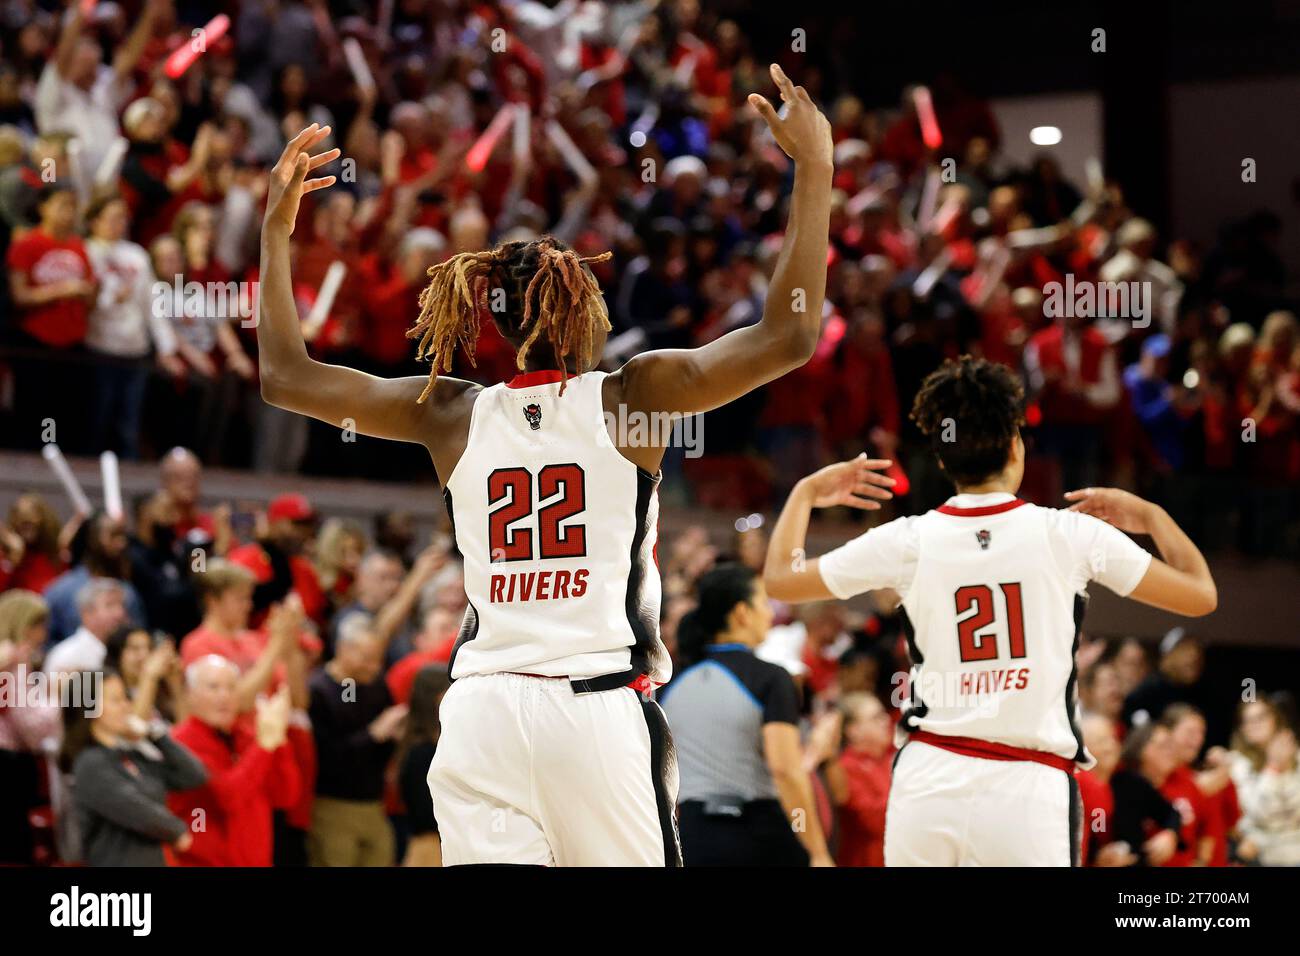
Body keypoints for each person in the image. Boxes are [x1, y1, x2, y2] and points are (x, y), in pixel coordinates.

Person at [256, 62, 834, 866]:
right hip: (592, 710)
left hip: (481, 714)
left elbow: (285, 377)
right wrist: (815, 169)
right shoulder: (633, 397)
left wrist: (276, 234)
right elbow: (790, 336)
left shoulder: (450, 413)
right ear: (581, 311)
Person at [764, 355, 1217, 866]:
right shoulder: (1068, 533)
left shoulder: (908, 538)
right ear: (1016, 445)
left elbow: (781, 578)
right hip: (1026, 786)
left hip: (928, 778)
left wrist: (804, 495)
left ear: (940, 460)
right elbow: (1200, 594)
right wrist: (1153, 518)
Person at [660, 564, 832, 867]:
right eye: (763, 603)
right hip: (756, 835)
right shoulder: (771, 678)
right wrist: (817, 850)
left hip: (689, 838)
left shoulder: (671, 684)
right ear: (742, 613)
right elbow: (786, 771)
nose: (769, 614)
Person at [60, 669, 208, 866]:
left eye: (125, 698)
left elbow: (194, 775)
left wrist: (154, 734)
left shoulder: (130, 756)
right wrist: (176, 830)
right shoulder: (89, 764)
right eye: (116, 700)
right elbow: (134, 808)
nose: (126, 706)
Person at [167, 656, 299, 867]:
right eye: (214, 687)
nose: (224, 696)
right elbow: (229, 797)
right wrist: (264, 746)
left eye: (231, 687)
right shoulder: (180, 742)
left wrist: (279, 740)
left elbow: (285, 796)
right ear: (190, 695)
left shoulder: (248, 736)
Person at [306, 618, 406, 867]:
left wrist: (395, 733)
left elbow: (384, 739)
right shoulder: (318, 690)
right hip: (333, 806)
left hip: (373, 804)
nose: (374, 667)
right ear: (343, 649)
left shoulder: (376, 684)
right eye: (367, 658)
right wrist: (372, 735)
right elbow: (325, 758)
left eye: (378, 659)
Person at [396, 665, 451, 867]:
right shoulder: (420, 752)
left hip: (440, 844)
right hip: (429, 848)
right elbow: (424, 814)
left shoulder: (438, 743)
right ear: (437, 697)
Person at [43, 578, 128, 679]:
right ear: (87, 613)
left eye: (121, 605)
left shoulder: (127, 651)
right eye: (110, 605)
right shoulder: (66, 656)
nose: (120, 613)